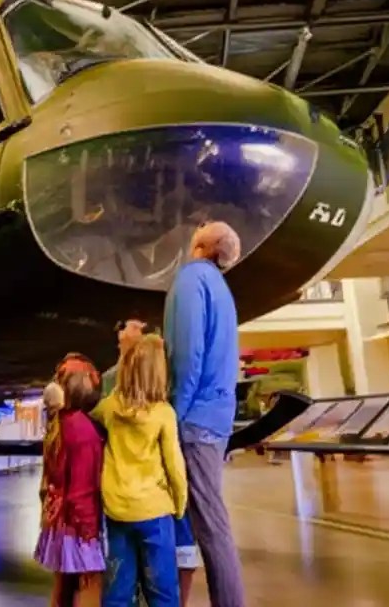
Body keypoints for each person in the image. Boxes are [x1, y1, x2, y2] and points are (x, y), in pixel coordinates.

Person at [165, 221, 246, 607]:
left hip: (194, 420)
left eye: (200, 226)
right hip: (216, 418)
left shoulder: (191, 278)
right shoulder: (223, 290)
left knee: (210, 525)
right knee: (209, 521)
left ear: (203, 243)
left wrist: (172, 417)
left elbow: (188, 356)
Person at [103, 318, 199, 606]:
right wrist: (179, 504)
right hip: (156, 513)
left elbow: (97, 409)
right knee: (162, 592)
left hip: (118, 510)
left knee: (118, 591)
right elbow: (174, 465)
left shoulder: (111, 407)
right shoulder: (163, 413)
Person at [34, 354, 106, 607]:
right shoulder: (84, 430)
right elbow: (83, 487)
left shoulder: (58, 422)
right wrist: (89, 531)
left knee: (63, 589)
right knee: (85, 588)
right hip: (77, 524)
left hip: (58, 521)